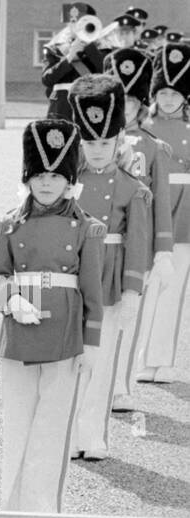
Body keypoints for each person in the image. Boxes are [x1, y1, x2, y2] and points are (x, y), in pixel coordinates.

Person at [0, 119, 105, 513]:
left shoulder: (86, 228)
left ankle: (42, 506)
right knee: (17, 420)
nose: (47, 184)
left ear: (70, 180)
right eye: (38, 175)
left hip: (65, 333)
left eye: (56, 175)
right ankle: (12, 503)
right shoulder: (8, 223)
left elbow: (92, 291)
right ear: (27, 178)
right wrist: (11, 299)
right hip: (19, 332)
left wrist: (91, 343)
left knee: (53, 426)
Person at [67, 74, 151, 460]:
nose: (97, 150)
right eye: (89, 142)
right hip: (73, 280)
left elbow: (137, 241)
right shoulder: (67, 182)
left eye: (105, 142)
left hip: (112, 280)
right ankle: (68, 434)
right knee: (71, 362)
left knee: (102, 364)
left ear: (119, 141)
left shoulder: (131, 185)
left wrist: (133, 289)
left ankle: (94, 436)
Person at [106, 45, 174, 410]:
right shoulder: (93, 145)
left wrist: (163, 251)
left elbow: (161, 201)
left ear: (141, 104)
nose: (126, 108)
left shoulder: (154, 147)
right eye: (121, 100)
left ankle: (120, 386)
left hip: (138, 245)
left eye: (132, 101)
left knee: (129, 317)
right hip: (102, 244)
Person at [134, 41, 190, 383]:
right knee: (143, 288)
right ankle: (139, 358)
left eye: (176, 93)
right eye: (163, 92)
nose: (168, 99)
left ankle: (162, 359)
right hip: (152, 208)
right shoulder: (143, 128)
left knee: (174, 288)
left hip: (185, 213)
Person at [41, 4, 107, 120]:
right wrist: (69, 57)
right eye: (73, 22)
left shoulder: (101, 47)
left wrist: (89, 48)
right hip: (62, 108)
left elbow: (106, 72)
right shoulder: (54, 47)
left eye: (82, 22)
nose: (76, 26)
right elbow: (47, 79)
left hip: (92, 106)